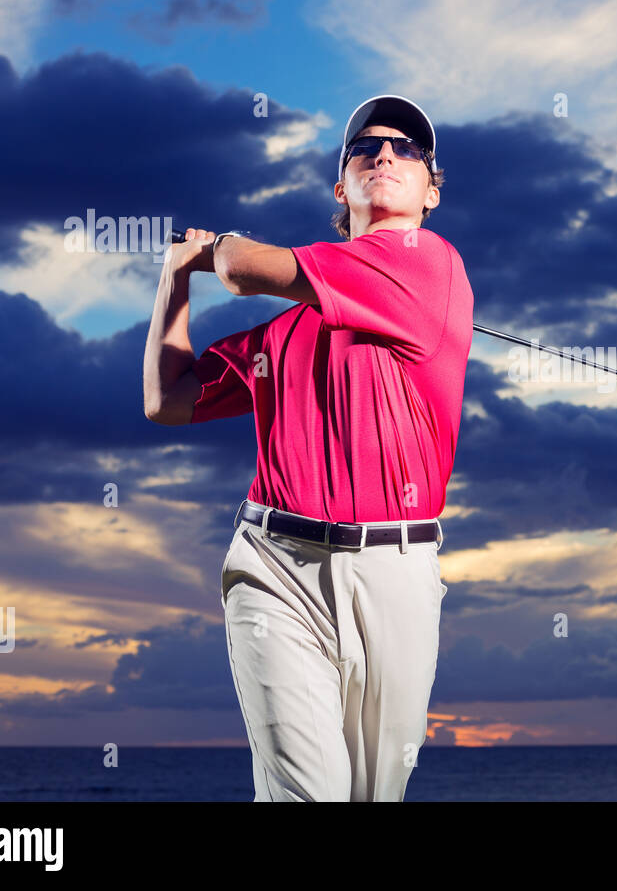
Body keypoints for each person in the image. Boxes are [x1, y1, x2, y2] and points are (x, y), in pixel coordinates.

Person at [141, 94, 473, 801]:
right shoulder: (282, 335)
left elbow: (238, 268)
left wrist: (214, 247)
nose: (386, 154)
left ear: (431, 191)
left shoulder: (431, 263)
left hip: (397, 572)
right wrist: (173, 280)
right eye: (366, 148)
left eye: (409, 149)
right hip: (274, 567)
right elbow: (166, 399)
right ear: (341, 185)